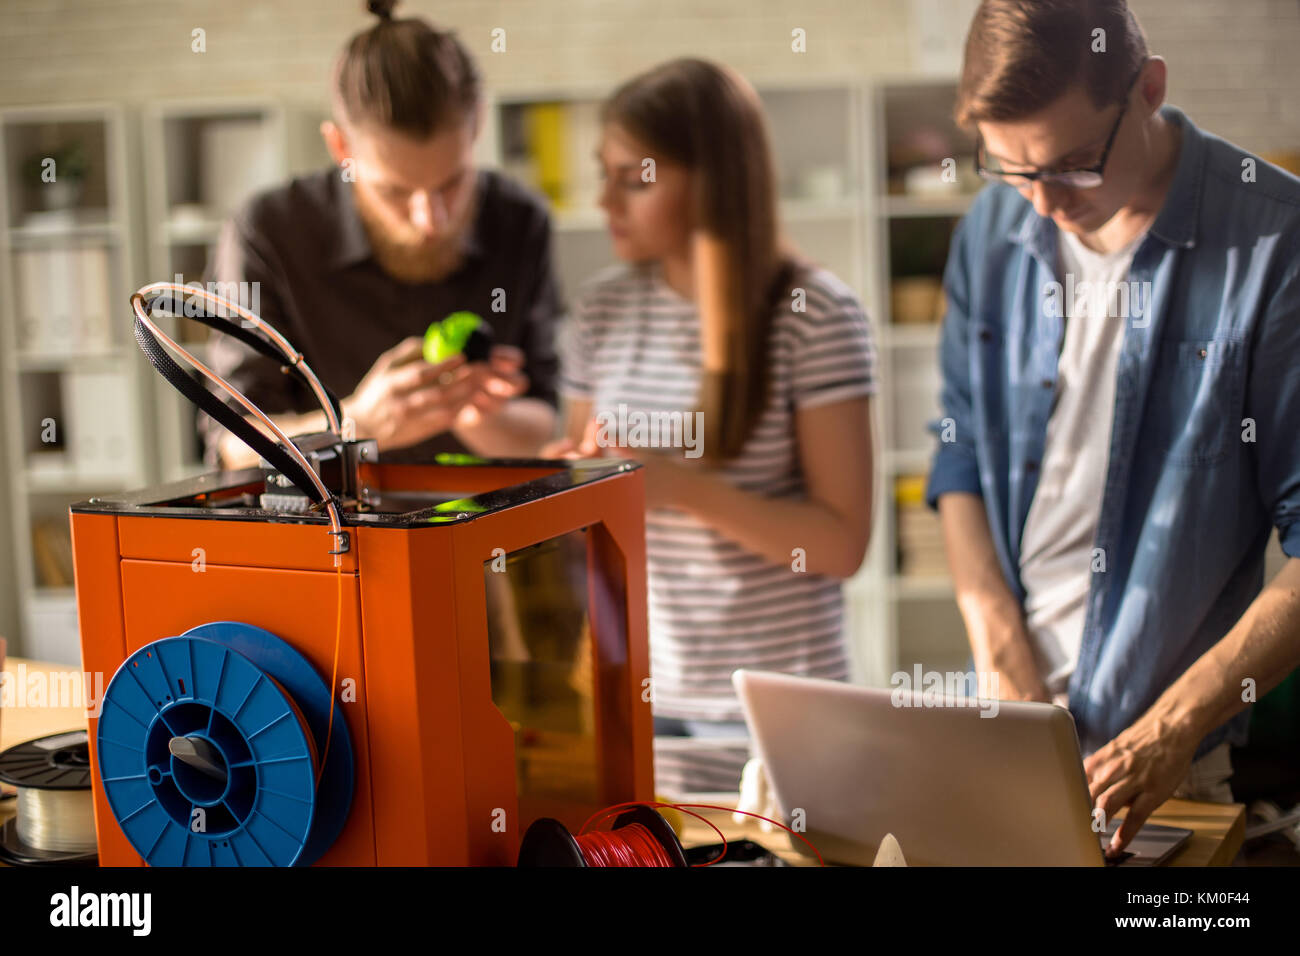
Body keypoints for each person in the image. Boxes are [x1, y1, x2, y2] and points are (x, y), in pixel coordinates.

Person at [929, 0, 1300, 857]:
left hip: (1166, 768)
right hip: (1002, 727)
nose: (1046, 204)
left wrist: (1174, 725)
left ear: (1149, 90)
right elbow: (958, 452)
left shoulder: (1274, 246)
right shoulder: (993, 228)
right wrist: (999, 648)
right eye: (1012, 169)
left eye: (1072, 165)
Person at [545, 58, 877, 794]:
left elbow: (841, 543)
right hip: (645, 714)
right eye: (604, 173)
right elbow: (583, 491)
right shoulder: (601, 311)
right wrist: (568, 481)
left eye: (635, 178)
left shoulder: (814, 315)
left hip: (786, 722)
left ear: (714, 182)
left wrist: (681, 488)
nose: (604, 200)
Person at [200, 0, 558, 469]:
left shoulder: (519, 220)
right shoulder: (268, 231)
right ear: (341, 148)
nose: (431, 219)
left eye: (451, 185)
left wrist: (470, 411)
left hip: (488, 530)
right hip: (330, 533)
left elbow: (545, 425)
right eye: (396, 192)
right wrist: (354, 425)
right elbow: (232, 445)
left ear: (478, 125)